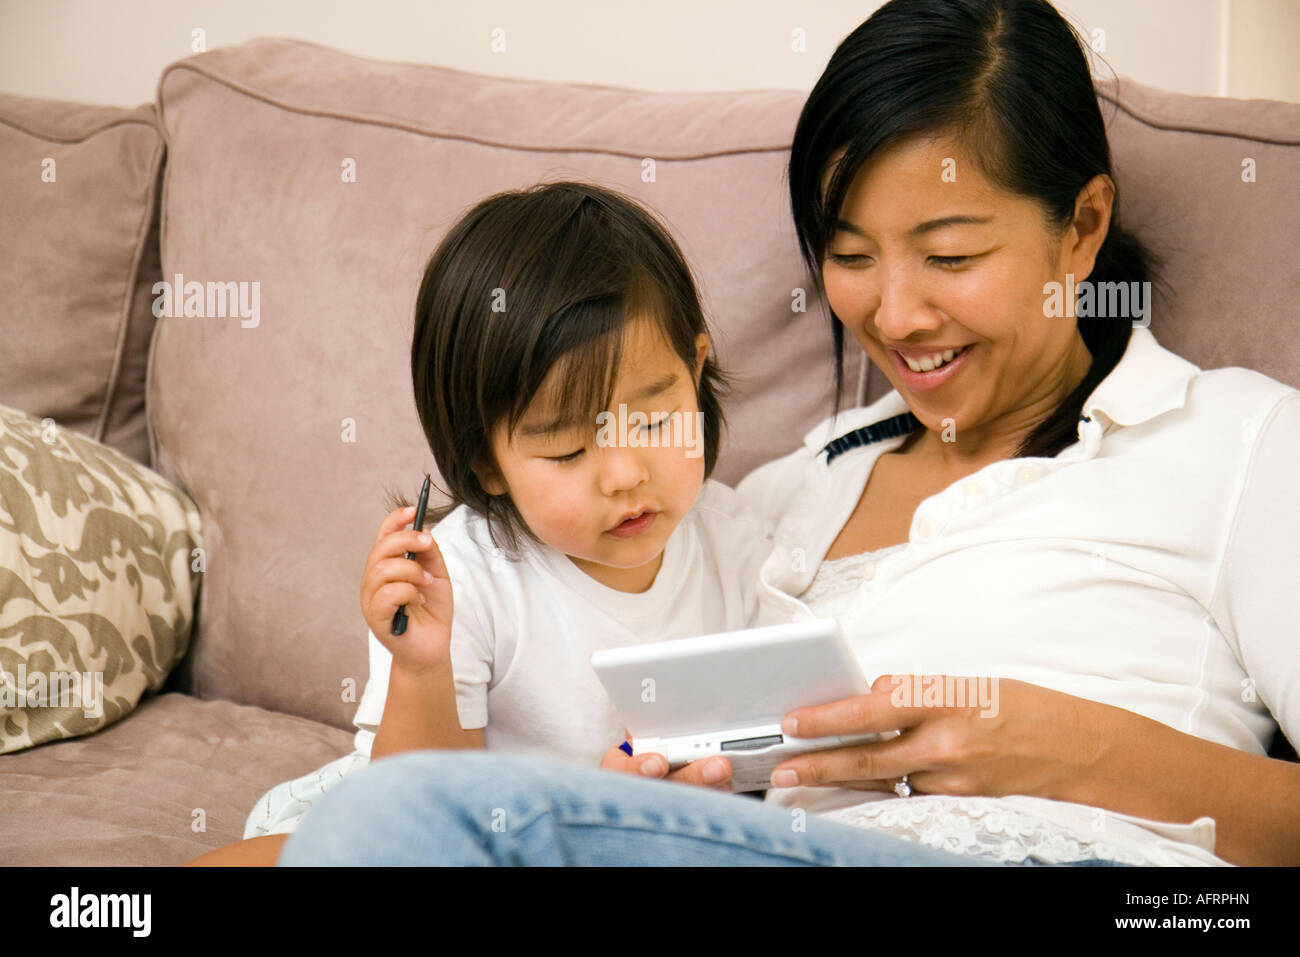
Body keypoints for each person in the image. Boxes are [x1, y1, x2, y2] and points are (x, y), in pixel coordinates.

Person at [274, 0, 1300, 868]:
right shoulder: (781, 494)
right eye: (851, 255)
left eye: (949, 254)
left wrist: (1071, 748)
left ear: (1079, 230)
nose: (895, 315)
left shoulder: (1239, 443)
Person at [182, 182, 775, 866]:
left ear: (695, 373)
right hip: (429, 818)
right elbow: (418, 818)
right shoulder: (461, 577)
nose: (624, 473)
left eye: (651, 419)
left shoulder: (740, 546)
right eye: (568, 449)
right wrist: (422, 666)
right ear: (486, 464)